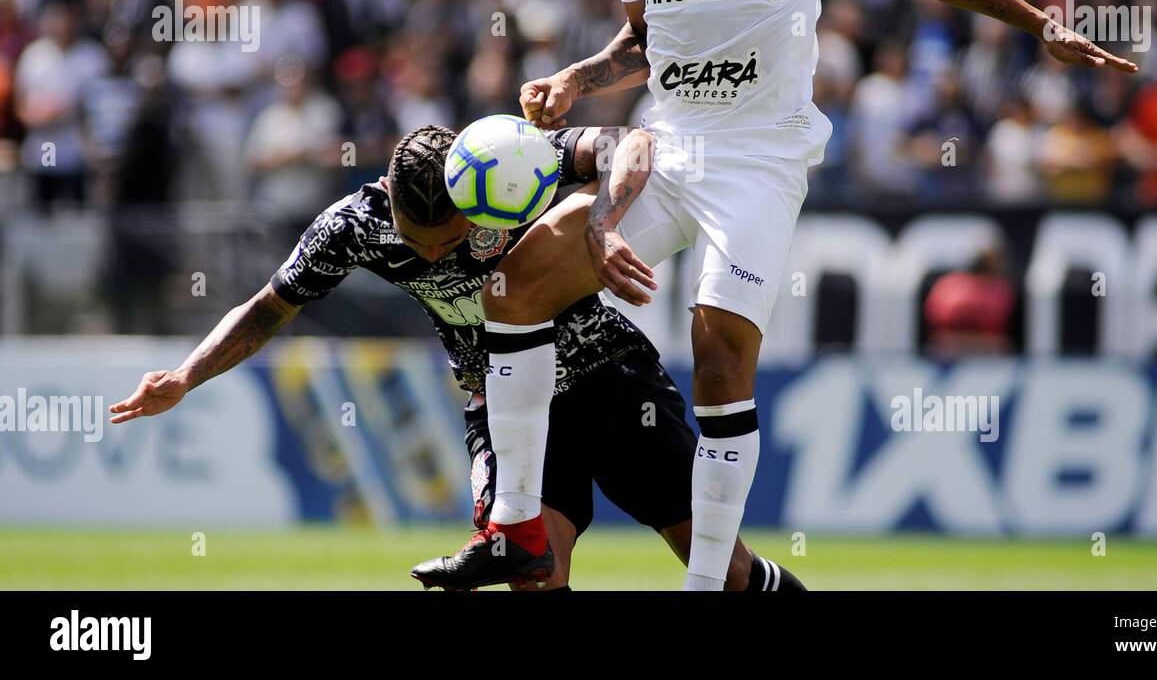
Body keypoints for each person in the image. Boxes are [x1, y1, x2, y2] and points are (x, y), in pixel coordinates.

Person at [426, 0, 1138, 591]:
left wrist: (1038, 24)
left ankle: (707, 585)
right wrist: (581, 74)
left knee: (718, 349)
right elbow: (644, 43)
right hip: (666, 144)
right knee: (514, 285)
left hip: (760, 157)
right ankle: (516, 530)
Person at [108, 123, 804, 592]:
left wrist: (603, 220)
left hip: (611, 380)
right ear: (389, 202)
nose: (438, 252)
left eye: (454, 232)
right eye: (422, 240)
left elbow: (633, 142)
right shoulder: (351, 230)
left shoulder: (504, 160)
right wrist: (184, 376)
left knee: (727, 571)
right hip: (505, 402)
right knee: (533, 572)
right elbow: (268, 307)